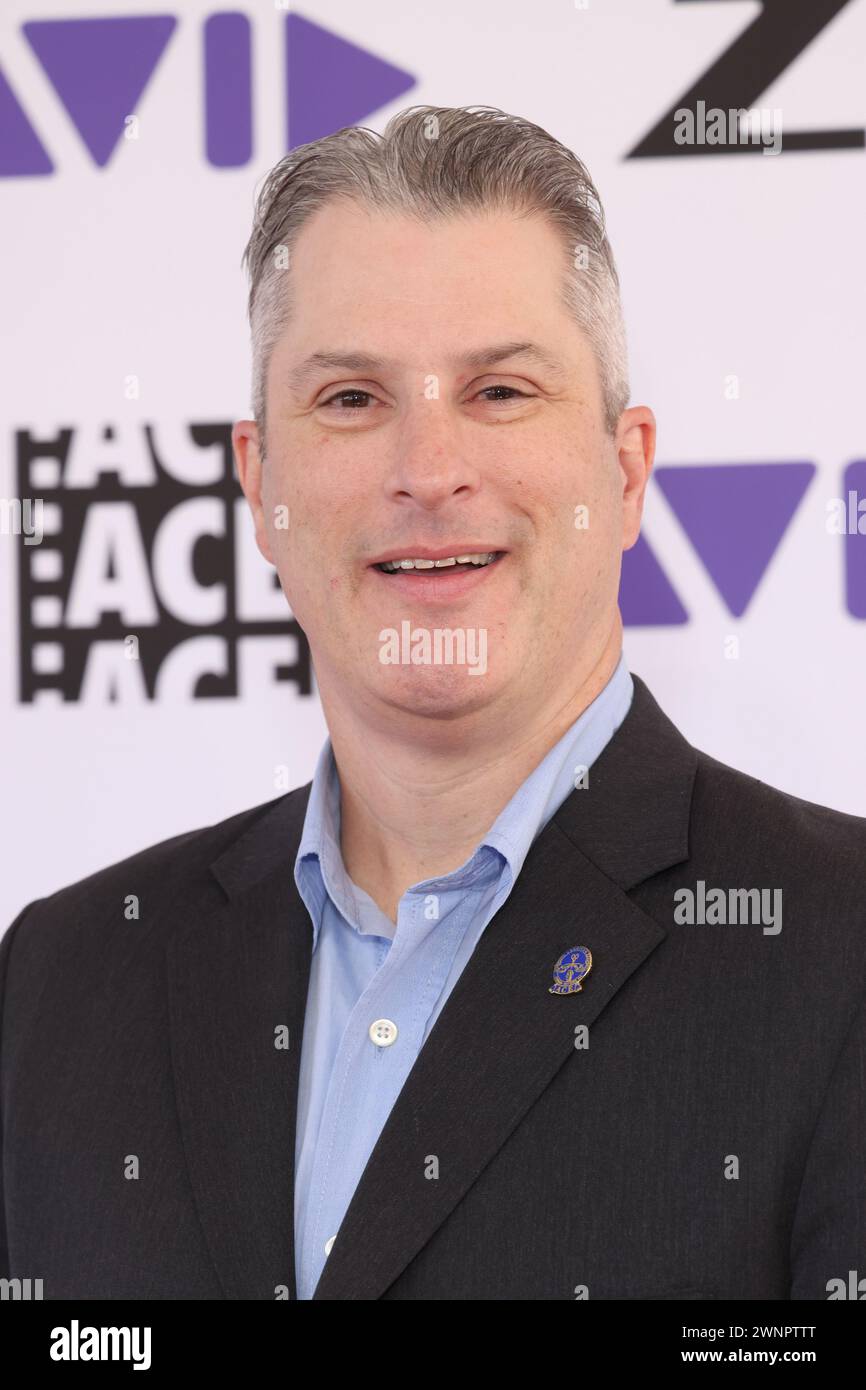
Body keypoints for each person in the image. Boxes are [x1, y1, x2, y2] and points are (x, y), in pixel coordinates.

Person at [2, 105, 864, 1301]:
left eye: (500, 391)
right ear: (260, 484)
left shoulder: (838, 948)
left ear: (622, 471)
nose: (426, 468)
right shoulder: (59, 982)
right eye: (352, 398)